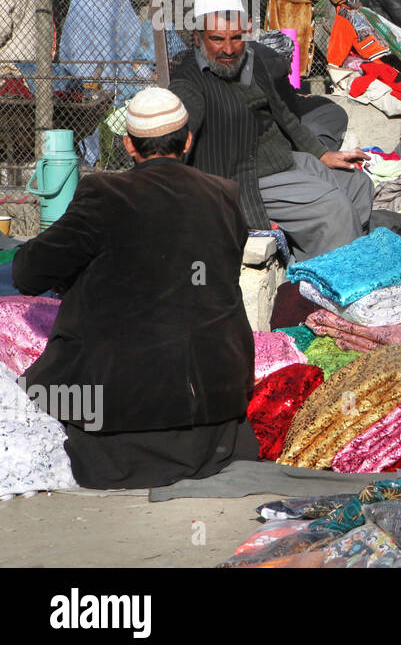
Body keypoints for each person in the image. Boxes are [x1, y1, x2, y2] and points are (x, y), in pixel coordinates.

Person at [14, 87, 258, 489]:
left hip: (117, 421)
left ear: (128, 145)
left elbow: (28, 274)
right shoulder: (225, 195)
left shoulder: (104, 193)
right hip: (216, 412)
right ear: (189, 140)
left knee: (30, 394)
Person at [170, 0, 374, 260]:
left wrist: (323, 154)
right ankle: (337, 283)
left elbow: (283, 114)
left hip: (284, 161)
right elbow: (173, 142)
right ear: (197, 39)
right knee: (333, 208)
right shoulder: (189, 84)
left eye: (237, 37)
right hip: (246, 178)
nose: (229, 49)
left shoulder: (250, 62)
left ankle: (339, 258)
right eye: (217, 40)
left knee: (357, 183)